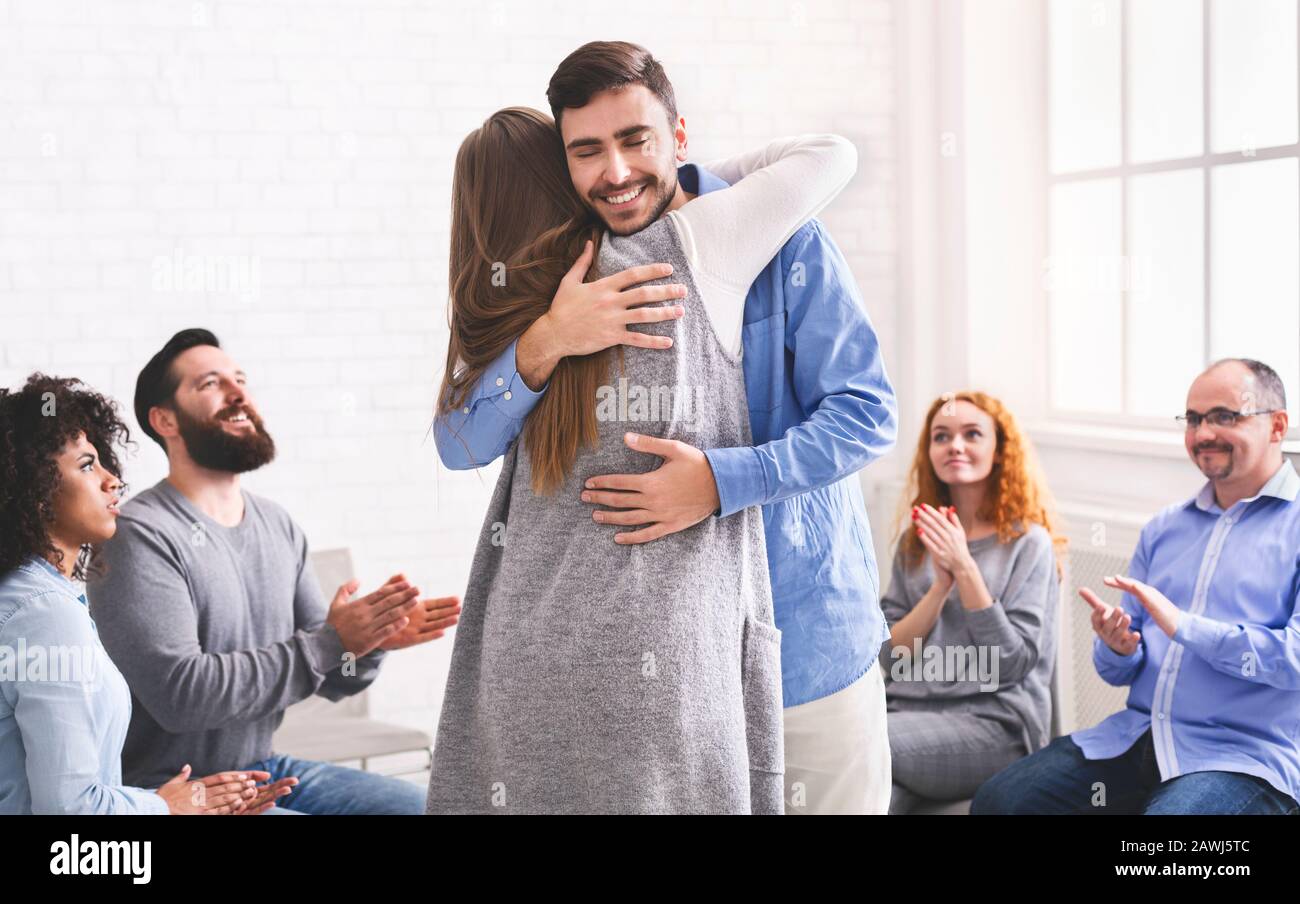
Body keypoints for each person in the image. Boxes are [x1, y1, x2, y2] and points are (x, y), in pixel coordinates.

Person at [434, 40, 898, 815]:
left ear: (679, 136)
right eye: (587, 152)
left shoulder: (784, 241)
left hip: (806, 632)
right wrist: (549, 338)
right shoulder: (573, 281)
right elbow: (461, 442)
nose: (614, 173)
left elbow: (865, 414)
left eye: (636, 141)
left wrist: (719, 482)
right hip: (686, 661)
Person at [86, 330, 461, 815]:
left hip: (262, 767)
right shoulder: (138, 535)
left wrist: (368, 643)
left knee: (427, 808)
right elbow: (182, 696)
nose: (238, 392)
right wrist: (333, 641)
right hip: (174, 790)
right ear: (165, 420)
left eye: (240, 379)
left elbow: (333, 679)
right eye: (210, 384)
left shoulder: (277, 525)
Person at [973, 358, 1300, 815]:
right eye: (1194, 419)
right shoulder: (1165, 529)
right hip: (1139, 733)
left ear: (1277, 425)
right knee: (1000, 803)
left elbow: (1294, 660)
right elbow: (1116, 673)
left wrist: (1185, 626)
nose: (1204, 433)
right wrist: (1119, 647)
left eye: (1225, 416)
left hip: (1242, 756)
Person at [0, 373, 290, 814]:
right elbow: (69, 812)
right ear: (35, 490)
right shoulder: (45, 614)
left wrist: (175, 803)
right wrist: (168, 808)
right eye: (86, 465)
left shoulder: (31, 597)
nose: (111, 480)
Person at [879, 392, 1065, 814]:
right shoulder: (917, 541)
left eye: (972, 434)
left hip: (996, 725)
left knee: (861, 741)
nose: (955, 445)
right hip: (910, 713)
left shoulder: (1028, 544)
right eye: (941, 436)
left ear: (999, 451)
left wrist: (965, 569)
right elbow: (891, 658)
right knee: (870, 797)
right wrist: (939, 586)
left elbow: (1009, 664)